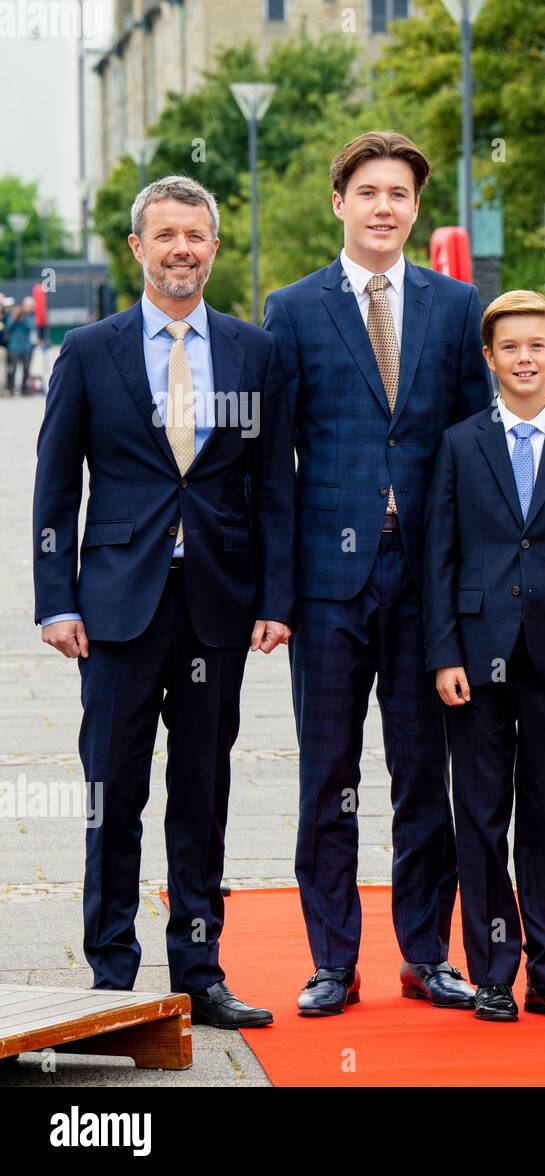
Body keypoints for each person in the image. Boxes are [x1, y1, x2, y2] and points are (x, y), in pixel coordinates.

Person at [31, 175, 296, 1028]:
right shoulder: (88, 349)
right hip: (114, 608)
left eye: (197, 235)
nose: (182, 248)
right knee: (113, 793)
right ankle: (109, 975)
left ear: (214, 250)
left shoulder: (254, 353)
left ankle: (199, 967)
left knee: (202, 792)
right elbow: (52, 487)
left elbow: (273, 489)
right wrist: (53, 601)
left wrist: (276, 597)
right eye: (165, 235)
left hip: (217, 605)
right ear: (138, 248)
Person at [263, 131, 493, 1017]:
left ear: (415, 207)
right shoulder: (292, 310)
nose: (385, 207)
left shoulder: (455, 305)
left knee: (420, 776)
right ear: (339, 203)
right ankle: (331, 960)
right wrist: (276, 594)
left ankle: (426, 954)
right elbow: (272, 467)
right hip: (327, 583)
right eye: (369, 193)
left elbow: (473, 454)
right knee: (327, 777)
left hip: (426, 584)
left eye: (399, 193)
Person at [426, 289, 545, 1022]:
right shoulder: (458, 443)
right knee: (479, 817)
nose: (524, 359)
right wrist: (444, 653)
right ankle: (492, 971)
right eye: (509, 348)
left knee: (544, 817)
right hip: (476, 659)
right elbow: (440, 557)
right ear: (490, 359)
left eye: (537, 346)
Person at [7, 299, 35, 395]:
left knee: (26, 369)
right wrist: (15, 318)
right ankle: (11, 388)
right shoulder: (11, 318)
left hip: (25, 348)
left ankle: (24, 388)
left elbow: (30, 327)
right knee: (13, 368)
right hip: (14, 347)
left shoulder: (28, 318)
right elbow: (8, 328)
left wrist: (22, 319)